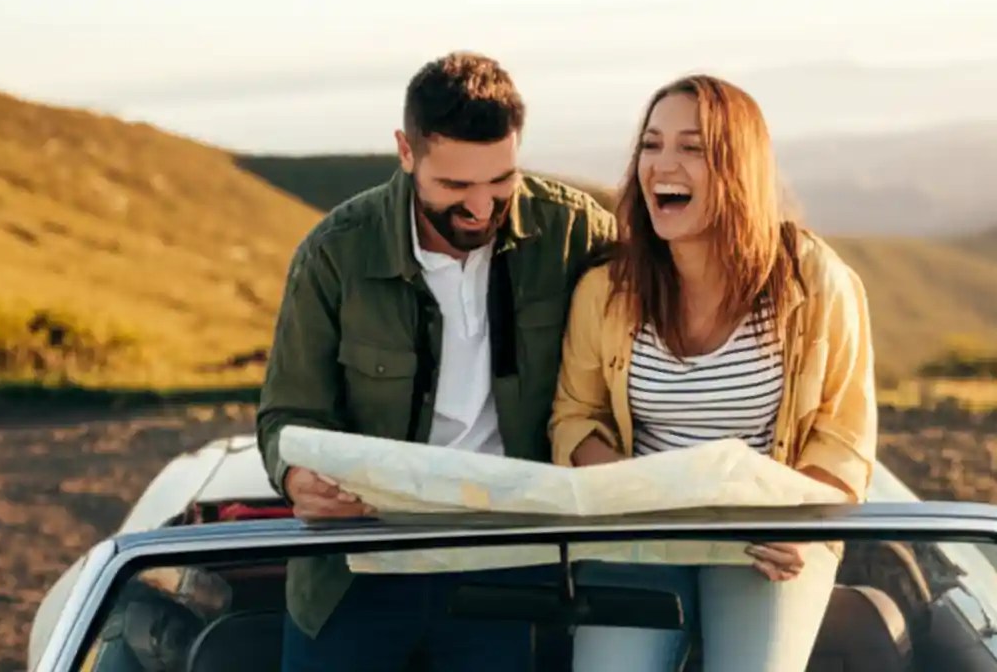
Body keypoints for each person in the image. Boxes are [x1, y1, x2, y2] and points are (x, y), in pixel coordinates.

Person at [255, 51, 616, 672]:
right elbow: (285, 414)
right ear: (406, 151)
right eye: (455, 187)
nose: (482, 207)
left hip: (513, 561)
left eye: (500, 181)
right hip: (357, 567)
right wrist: (294, 477)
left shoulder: (577, 233)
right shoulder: (333, 255)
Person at [548, 74, 877, 672]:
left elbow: (843, 438)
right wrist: (643, 498)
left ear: (739, 166)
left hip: (766, 537)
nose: (662, 164)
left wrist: (799, 523)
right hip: (639, 533)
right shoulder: (605, 289)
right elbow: (574, 418)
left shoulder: (816, 281)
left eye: (692, 147)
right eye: (651, 144)